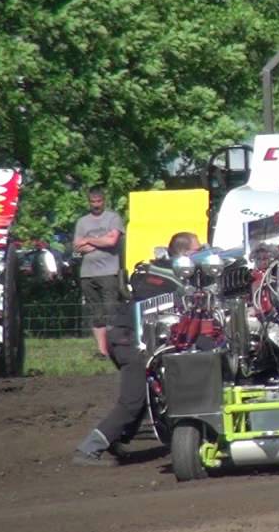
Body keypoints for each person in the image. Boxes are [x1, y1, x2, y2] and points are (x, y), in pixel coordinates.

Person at [72, 231, 201, 466]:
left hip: (125, 337)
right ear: (186, 253)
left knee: (145, 397)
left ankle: (114, 441)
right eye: (198, 250)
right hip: (129, 340)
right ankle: (89, 449)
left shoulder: (160, 272)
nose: (201, 254)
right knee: (133, 401)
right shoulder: (167, 279)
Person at [74, 186, 126, 357]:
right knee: (96, 314)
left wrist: (88, 240)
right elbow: (77, 247)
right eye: (92, 202)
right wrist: (99, 241)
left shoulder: (113, 218)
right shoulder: (82, 222)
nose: (96, 205)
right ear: (88, 202)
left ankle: (115, 348)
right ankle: (102, 351)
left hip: (109, 271)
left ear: (104, 201)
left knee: (111, 310)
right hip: (87, 274)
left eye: (98, 201)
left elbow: (112, 241)